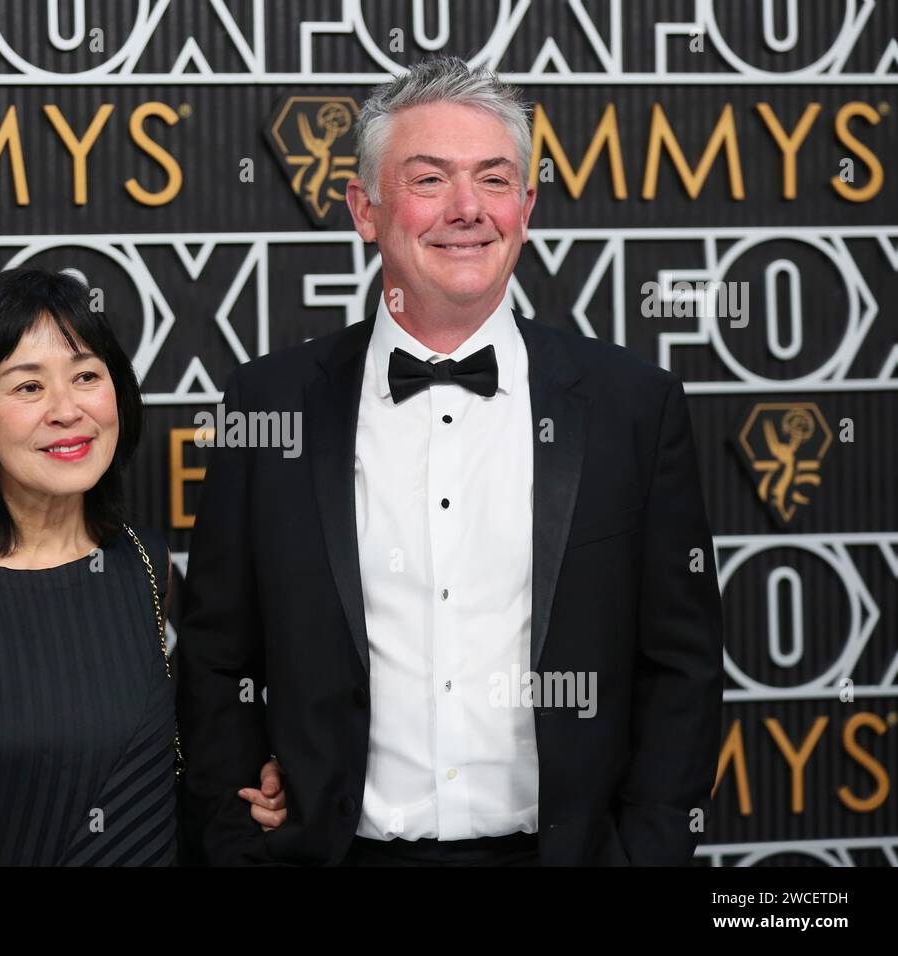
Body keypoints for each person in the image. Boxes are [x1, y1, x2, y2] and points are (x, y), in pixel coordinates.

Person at [177, 57, 724, 866]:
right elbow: (216, 654)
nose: (467, 210)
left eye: (494, 179)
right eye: (429, 179)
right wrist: (241, 839)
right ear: (365, 209)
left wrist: (644, 850)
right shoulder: (269, 401)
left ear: (526, 208)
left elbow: (681, 665)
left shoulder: (632, 406)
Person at [0, 267, 285, 865]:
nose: (67, 410)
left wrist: (264, 782)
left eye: (86, 376)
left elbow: (195, 752)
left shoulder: (147, 567)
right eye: (27, 387)